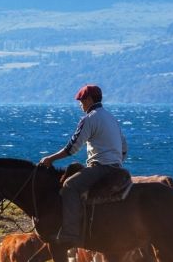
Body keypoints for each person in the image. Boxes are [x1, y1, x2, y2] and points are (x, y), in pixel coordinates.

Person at [38, 84, 129, 246]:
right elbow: (124, 149)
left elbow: (72, 148)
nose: (80, 104)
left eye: (81, 100)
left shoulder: (89, 119)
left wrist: (50, 159)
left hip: (101, 168)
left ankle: (70, 234)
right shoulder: (111, 118)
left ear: (89, 99)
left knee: (69, 187)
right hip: (117, 168)